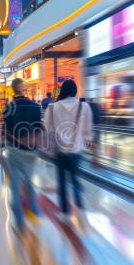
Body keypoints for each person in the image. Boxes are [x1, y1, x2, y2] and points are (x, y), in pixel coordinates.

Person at [44, 80, 93, 214]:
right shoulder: (85, 107)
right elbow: (88, 132)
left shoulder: (52, 108)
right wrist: (89, 148)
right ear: (75, 91)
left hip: (59, 151)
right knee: (75, 179)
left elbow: (47, 130)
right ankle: (80, 208)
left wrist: (48, 148)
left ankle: (65, 211)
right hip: (76, 150)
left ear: (62, 91)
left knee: (62, 182)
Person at [2, 78, 42, 234]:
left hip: (14, 150)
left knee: (15, 185)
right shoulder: (35, 107)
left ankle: (19, 224)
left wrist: (1, 147)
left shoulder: (9, 108)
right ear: (24, 88)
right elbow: (39, 128)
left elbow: (7, 130)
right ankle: (34, 209)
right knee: (29, 181)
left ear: (12, 90)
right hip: (31, 151)